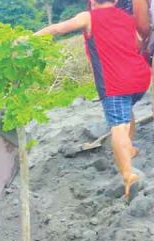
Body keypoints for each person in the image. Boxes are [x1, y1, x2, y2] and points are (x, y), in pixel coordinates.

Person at [36, 0, 151, 199]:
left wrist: (31, 38)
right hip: (140, 77)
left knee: (118, 126)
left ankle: (127, 175)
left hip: (115, 82)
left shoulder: (88, 17)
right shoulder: (126, 17)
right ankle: (129, 148)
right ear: (115, 1)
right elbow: (137, 42)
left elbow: (58, 29)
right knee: (126, 109)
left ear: (91, 1)